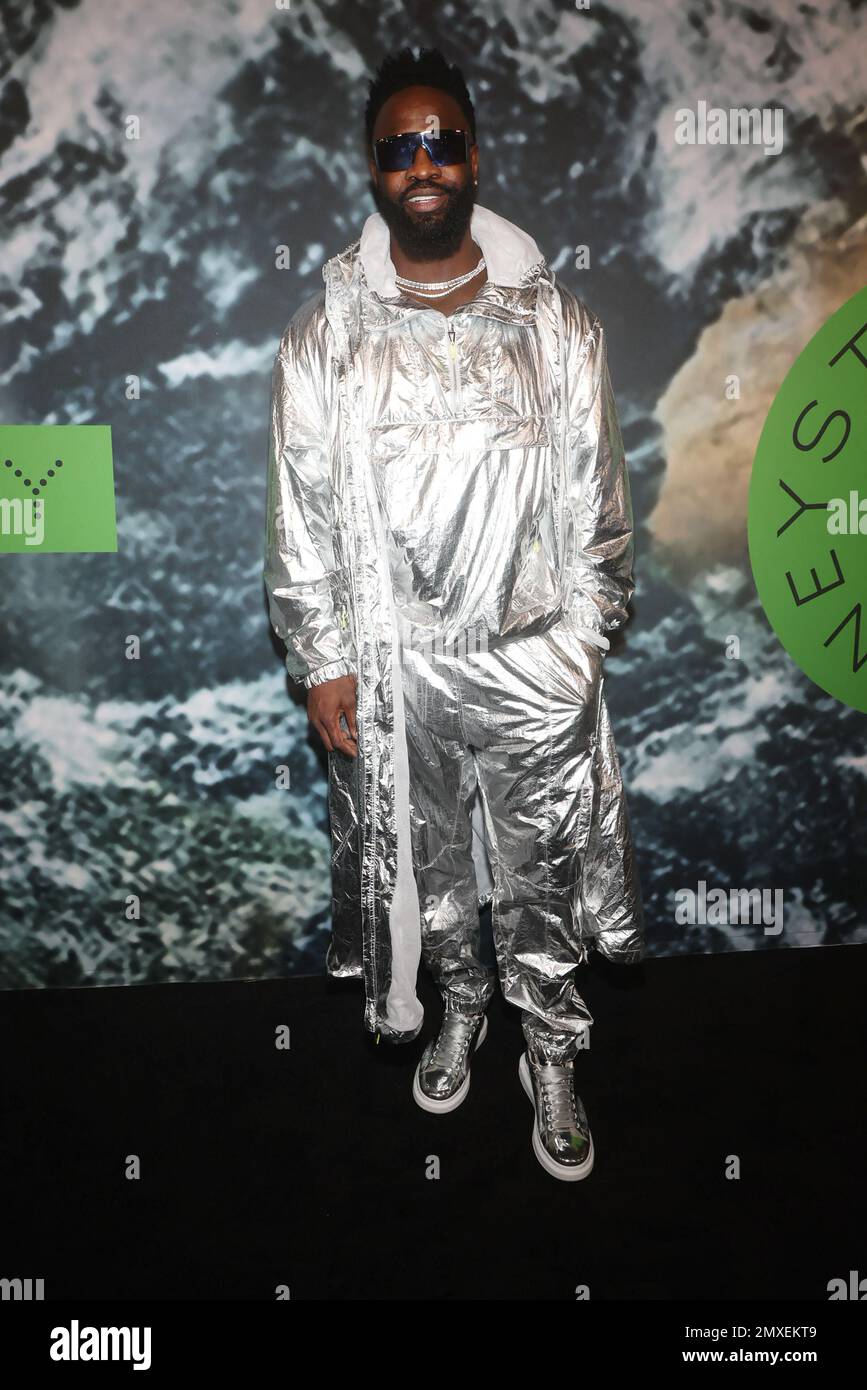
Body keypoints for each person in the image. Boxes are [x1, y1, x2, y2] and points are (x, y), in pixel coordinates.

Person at [264, 46, 644, 1181]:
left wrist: (583, 635)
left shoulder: (553, 322)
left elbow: (599, 495)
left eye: (442, 142)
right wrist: (323, 656)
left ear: (475, 157)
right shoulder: (324, 332)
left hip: (534, 655)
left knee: (540, 868)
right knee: (430, 870)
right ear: (373, 170)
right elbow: (302, 507)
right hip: (398, 665)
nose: (422, 163)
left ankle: (554, 1046)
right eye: (399, 147)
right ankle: (463, 1007)